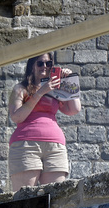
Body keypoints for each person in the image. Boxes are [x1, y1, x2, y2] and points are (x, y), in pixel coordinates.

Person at [5, 55, 80, 190]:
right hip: (25, 145)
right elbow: (16, 117)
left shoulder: (55, 89)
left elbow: (74, 109)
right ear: (32, 66)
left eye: (48, 63)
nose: (44, 67)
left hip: (55, 146)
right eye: (40, 63)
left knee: (56, 196)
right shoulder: (20, 89)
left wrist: (70, 80)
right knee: (25, 197)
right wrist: (40, 92)